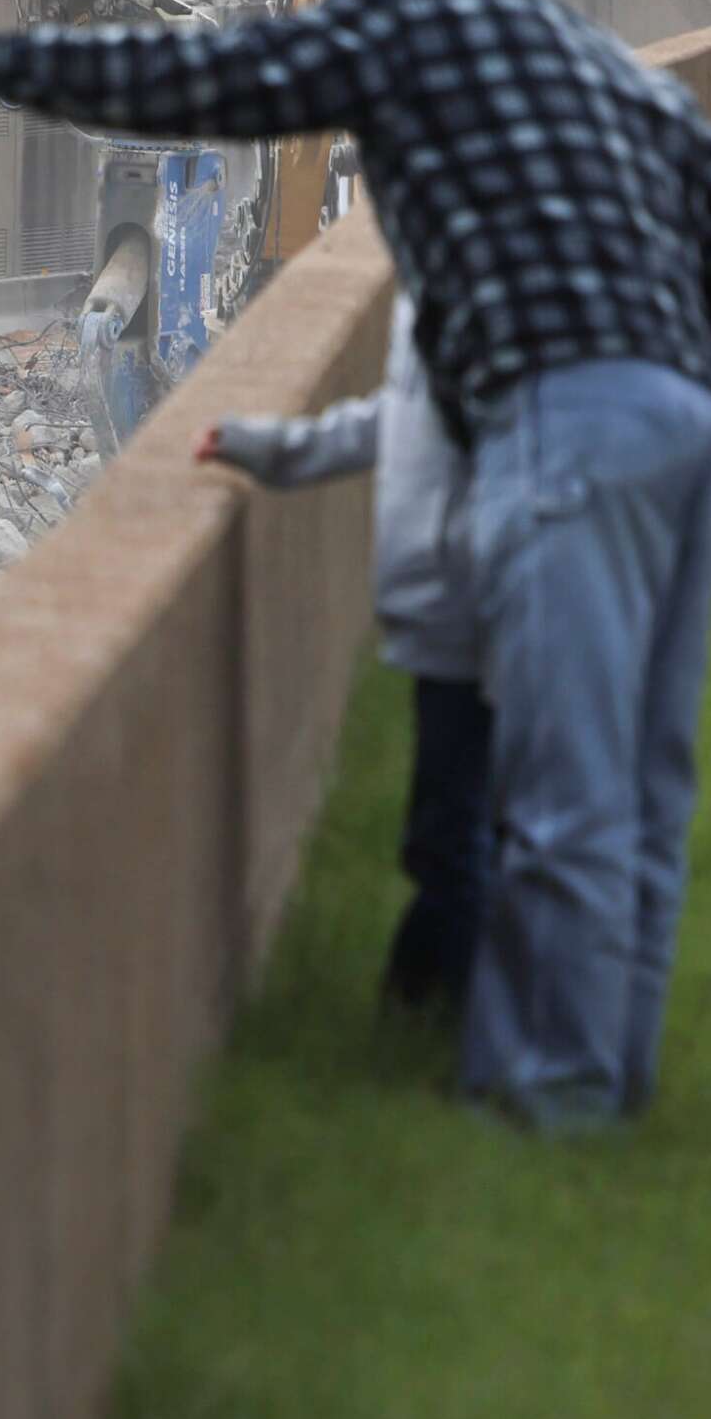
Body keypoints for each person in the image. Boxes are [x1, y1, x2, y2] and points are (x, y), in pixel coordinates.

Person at [0, 0, 711, 1128]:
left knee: (564, 791)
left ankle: (555, 1104)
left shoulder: (415, 25)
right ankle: (604, 1083)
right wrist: (676, 388)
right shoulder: (607, 70)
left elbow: (204, 77)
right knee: (643, 785)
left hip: (562, 427)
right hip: (685, 432)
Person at [197, 296, 486, 1015]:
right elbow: (400, 421)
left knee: (462, 829)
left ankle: (459, 1015)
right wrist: (274, 450)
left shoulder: (477, 294)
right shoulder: (435, 299)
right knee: (451, 822)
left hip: (481, 607)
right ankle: (442, 1005)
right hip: (442, 614)